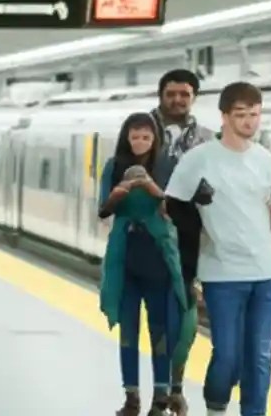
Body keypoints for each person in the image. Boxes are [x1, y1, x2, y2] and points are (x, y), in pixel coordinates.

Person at [165, 82, 271, 416]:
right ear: (224, 116)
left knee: (259, 358)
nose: (250, 122)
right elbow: (172, 208)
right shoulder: (199, 160)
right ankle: (216, 408)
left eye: (255, 115)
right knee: (228, 355)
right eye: (242, 115)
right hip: (222, 273)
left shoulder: (267, 161)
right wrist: (190, 259)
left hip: (265, 273)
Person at [98, 113, 188, 416]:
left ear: (155, 139)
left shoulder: (167, 167)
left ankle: (160, 398)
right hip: (125, 255)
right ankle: (131, 396)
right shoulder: (113, 167)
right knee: (128, 329)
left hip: (159, 254)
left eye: (145, 137)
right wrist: (116, 195)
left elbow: (174, 209)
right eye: (134, 136)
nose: (139, 142)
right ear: (126, 137)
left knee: (160, 328)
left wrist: (153, 189)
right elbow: (103, 211)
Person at [150, 68, 215, 416]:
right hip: (147, 240)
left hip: (189, 241)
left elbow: (216, 188)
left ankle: (173, 386)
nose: (177, 100)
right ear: (161, 94)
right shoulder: (140, 130)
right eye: (171, 93)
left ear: (194, 98)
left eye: (184, 94)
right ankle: (162, 390)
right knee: (157, 321)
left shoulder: (206, 138)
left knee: (186, 320)